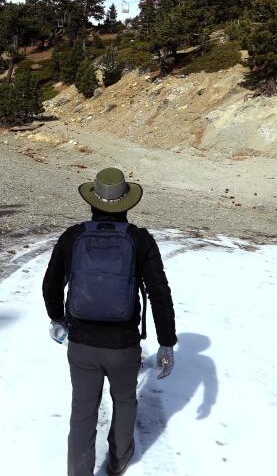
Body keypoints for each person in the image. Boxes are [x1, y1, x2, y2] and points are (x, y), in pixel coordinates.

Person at [42, 167, 177, 476]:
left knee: (83, 412)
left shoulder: (73, 236)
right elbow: (159, 293)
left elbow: (51, 284)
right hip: (123, 346)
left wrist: (57, 318)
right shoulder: (140, 240)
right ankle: (118, 461)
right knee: (126, 400)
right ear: (126, 204)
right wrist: (166, 343)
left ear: (92, 201)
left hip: (82, 344)